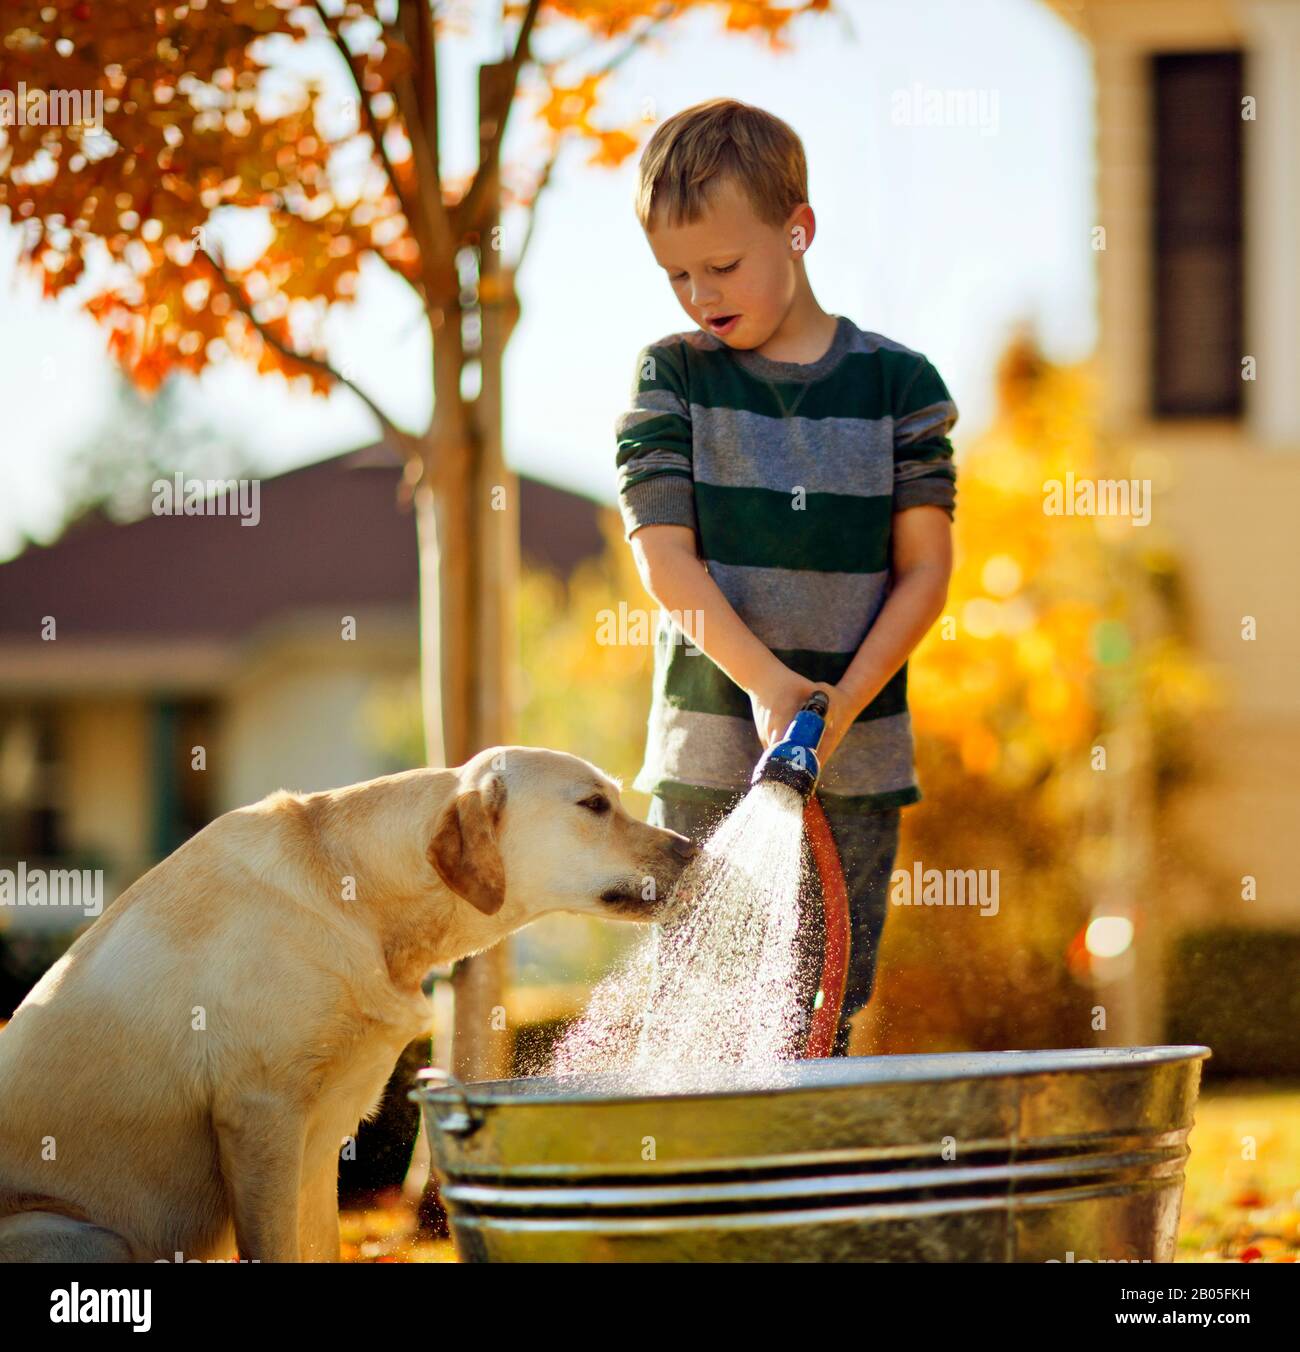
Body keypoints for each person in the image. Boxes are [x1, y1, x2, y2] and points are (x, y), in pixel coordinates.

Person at [614, 98, 958, 1057]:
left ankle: (797, 1205)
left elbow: (925, 571)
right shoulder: (672, 378)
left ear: (798, 231)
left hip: (859, 759)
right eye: (676, 273)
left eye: (722, 266)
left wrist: (839, 706)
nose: (699, 294)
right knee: (694, 1010)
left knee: (822, 1017)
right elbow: (663, 559)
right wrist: (772, 688)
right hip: (709, 755)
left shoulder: (901, 387)